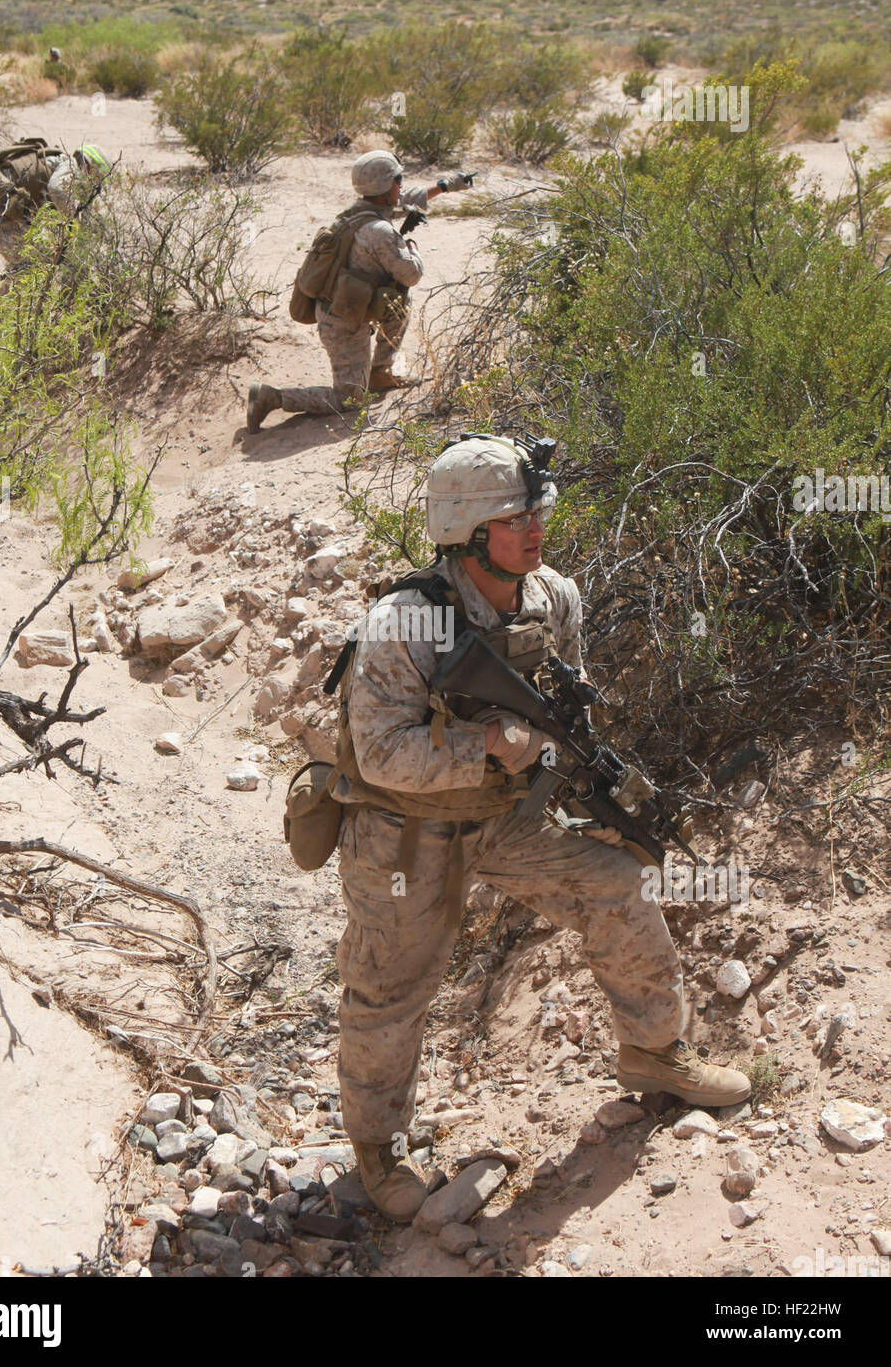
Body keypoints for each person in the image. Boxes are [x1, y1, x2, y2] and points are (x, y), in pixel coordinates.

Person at [326, 433, 751, 1222]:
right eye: (515, 517)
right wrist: (483, 744)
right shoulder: (403, 624)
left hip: (499, 821)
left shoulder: (553, 596)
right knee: (389, 988)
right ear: (468, 529)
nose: (534, 530)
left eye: (536, 513)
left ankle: (655, 1052)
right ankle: (378, 1149)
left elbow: (560, 702)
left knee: (618, 885)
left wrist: (579, 772)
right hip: (402, 835)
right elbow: (379, 754)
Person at [245, 150, 473, 433]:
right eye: (398, 179)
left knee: (399, 303)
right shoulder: (380, 232)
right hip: (343, 323)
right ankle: (272, 397)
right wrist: (412, 248)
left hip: (343, 307)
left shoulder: (359, 211)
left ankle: (379, 372)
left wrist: (445, 186)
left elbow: (405, 200)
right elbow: (411, 274)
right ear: (386, 186)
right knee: (350, 399)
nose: (401, 185)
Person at [0, 140, 111, 267]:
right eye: (96, 177)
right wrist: (74, 224)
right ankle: (7, 304)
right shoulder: (70, 166)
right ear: (90, 167)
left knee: (32, 261)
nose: (93, 183)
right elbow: (56, 189)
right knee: (28, 265)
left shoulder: (55, 162)